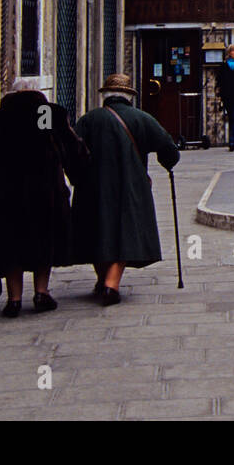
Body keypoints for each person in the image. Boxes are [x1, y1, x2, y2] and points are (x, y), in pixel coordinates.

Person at [0, 78, 88, 317]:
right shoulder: (49, 114)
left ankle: (14, 299)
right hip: (46, 193)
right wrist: (80, 174)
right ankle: (41, 292)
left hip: (6, 197)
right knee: (45, 242)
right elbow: (71, 148)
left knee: (11, 245)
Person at [72, 74, 180, 306]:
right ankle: (111, 284)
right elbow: (168, 147)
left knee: (98, 230)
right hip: (130, 187)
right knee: (125, 231)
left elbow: (73, 152)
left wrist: (77, 178)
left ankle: (103, 279)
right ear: (130, 96)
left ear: (105, 96)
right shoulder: (142, 118)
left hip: (93, 187)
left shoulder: (88, 119)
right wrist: (168, 163)